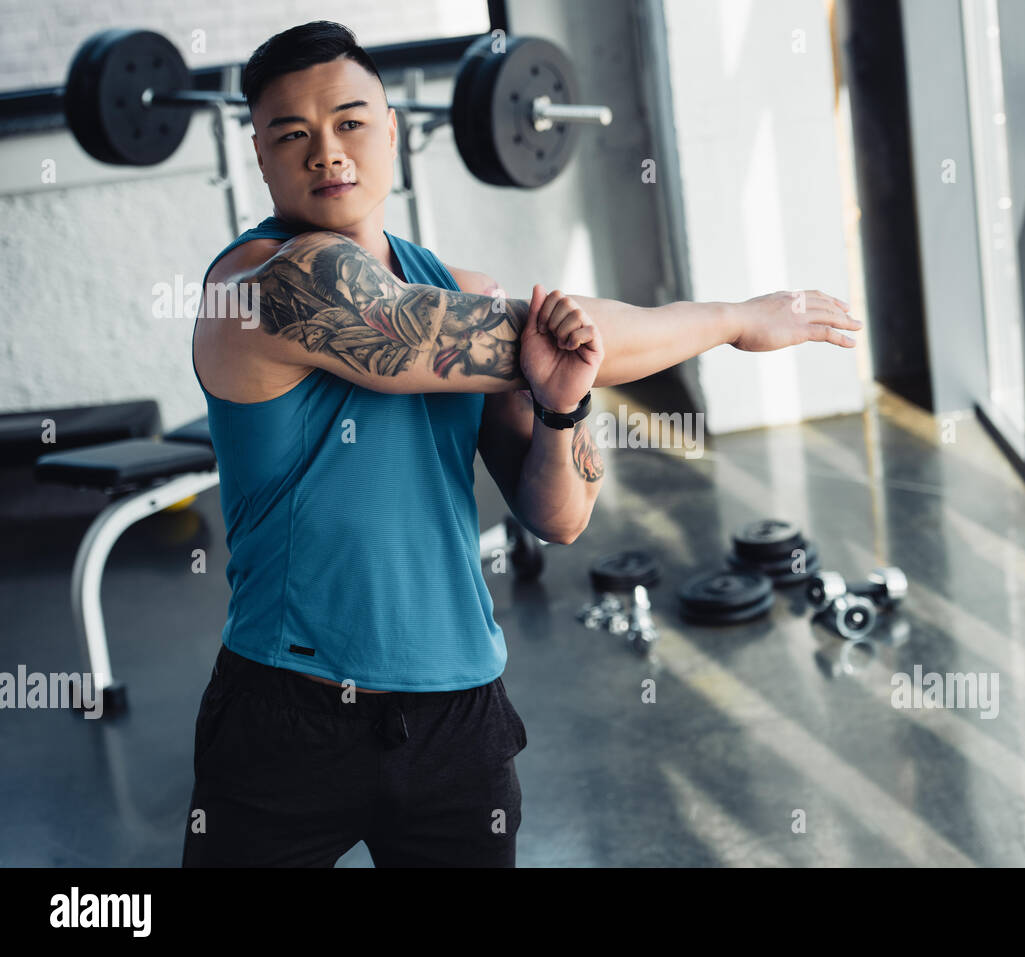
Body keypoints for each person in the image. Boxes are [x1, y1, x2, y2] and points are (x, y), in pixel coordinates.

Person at [183, 20, 860, 868]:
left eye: (350, 121)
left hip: (457, 712)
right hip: (288, 711)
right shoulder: (263, 288)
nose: (327, 152)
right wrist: (731, 319)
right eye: (293, 134)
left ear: (391, 131)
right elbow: (485, 336)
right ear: (260, 156)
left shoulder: (462, 289)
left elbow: (559, 516)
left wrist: (565, 407)